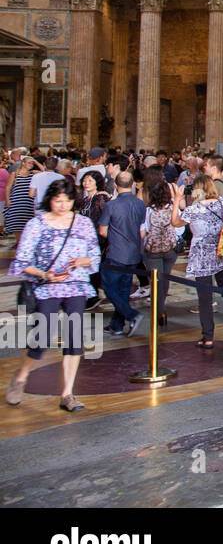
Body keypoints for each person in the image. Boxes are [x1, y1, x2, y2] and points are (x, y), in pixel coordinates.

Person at [5, 178, 101, 411]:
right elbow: (22, 261)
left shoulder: (83, 223)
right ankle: (21, 375)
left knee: (74, 338)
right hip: (47, 287)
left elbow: (95, 256)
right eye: (58, 201)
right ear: (50, 200)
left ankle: (67, 393)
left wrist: (83, 260)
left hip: (76, 286)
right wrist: (45, 275)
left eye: (67, 201)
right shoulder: (37, 224)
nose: (63, 205)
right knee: (41, 337)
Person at [176, 174, 223, 349]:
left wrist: (176, 200)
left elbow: (175, 222)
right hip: (221, 253)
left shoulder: (193, 210)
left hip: (201, 256)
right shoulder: (220, 203)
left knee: (204, 298)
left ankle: (208, 336)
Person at [97, 171, 147, 337]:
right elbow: (142, 231)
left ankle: (132, 314)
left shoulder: (111, 205)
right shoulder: (140, 205)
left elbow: (103, 231)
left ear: (116, 187)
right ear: (133, 185)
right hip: (134, 253)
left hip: (116, 252)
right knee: (124, 289)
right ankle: (117, 325)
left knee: (108, 286)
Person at [140, 168, 179, 326]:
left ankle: (159, 310)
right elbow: (179, 228)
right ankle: (161, 308)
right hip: (170, 249)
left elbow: (142, 233)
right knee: (165, 278)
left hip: (153, 250)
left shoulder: (148, 211)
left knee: (156, 281)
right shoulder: (172, 209)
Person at [76, 170, 110, 310]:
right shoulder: (85, 199)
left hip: (98, 238)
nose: (86, 183)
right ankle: (92, 295)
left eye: (90, 181)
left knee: (94, 267)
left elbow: (106, 216)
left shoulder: (100, 197)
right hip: (86, 239)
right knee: (89, 268)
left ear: (97, 182)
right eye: (85, 180)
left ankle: (94, 295)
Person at [4, 155, 39, 237]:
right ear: (23, 163)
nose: (31, 165)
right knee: (17, 227)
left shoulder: (33, 174)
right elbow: (7, 188)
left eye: (32, 163)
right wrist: (7, 200)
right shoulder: (14, 174)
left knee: (28, 228)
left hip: (28, 205)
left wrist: (36, 162)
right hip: (16, 204)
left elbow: (46, 171)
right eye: (29, 163)